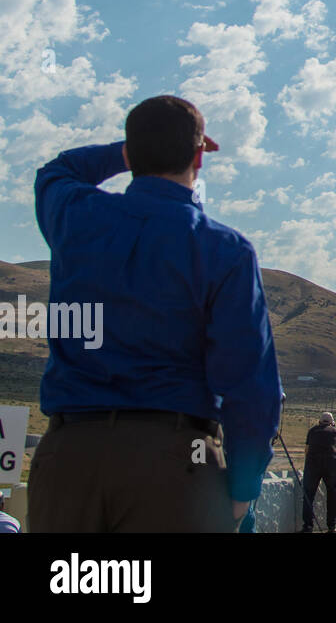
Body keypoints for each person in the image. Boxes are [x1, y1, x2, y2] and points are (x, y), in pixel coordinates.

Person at [28, 96, 281, 533]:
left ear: (129, 155)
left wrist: (129, 148)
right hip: (174, 466)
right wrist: (241, 491)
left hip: (67, 458)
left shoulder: (76, 218)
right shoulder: (224, 250)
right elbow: (249, 386)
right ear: (199, 155)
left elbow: (57, 171)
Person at [302, 412, 336, 533]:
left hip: (312, 466)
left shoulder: (312, 430)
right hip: (330, 466)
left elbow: (306, 450)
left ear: (319, 422)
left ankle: (308, 526)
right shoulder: (335, 431)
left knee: (309, 495)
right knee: (331, 494)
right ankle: (331, 526)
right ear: (332, 422)